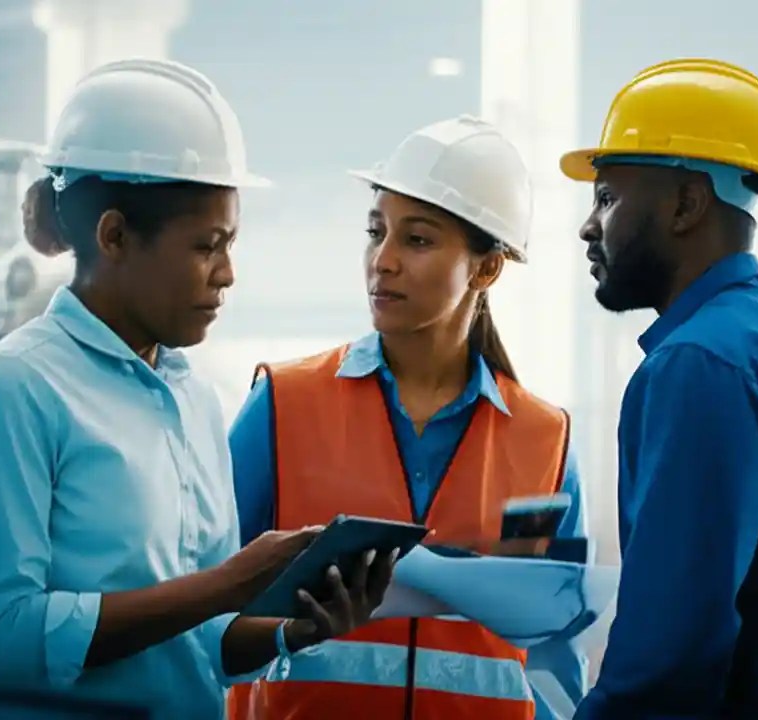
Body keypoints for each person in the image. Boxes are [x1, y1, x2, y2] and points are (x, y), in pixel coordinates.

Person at [0, 59, 395, 720]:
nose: (228, 274)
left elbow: (202, 645)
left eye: (231, 244)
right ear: (114, 236)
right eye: (207, 246)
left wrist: (299, 627)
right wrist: (224, 584)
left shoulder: (193, 398)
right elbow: (3, 646)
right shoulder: (11, 391)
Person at [226, 115, 588, 720]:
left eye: (416, 240)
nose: (382, 261)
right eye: (376, 232)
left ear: (486, 268)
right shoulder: (283, 405)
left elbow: (554, 651)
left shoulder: (545, 441)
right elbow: (205, 604)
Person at [560, 58, 758, 718]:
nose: (589, 226)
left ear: (687, 205)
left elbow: (668, 655)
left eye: (609, 197)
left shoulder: (701, 364)